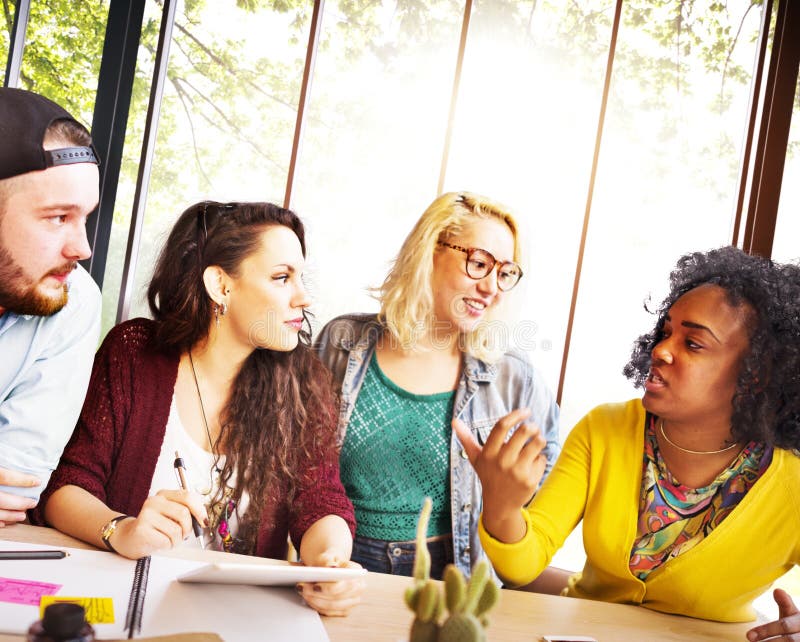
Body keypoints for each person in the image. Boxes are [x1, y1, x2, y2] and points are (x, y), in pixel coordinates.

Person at [34, 201, 363, 616]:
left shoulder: (303, 381)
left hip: (238, 618)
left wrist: (330, 563)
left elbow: (321, 502)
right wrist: (122, 529)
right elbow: (67, 486)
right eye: (282, 278)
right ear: (220, 286)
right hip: (126, 606)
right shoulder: (132, 353)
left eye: (301, 277)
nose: (304, 297)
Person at [454, 246, 800, 632]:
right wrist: (502, 507)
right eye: (665, 333)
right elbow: (523, 565)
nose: (661, 350)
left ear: (756, 373)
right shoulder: (605, 429)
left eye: (693, 344)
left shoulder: (791, 485)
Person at [315, 192, 560, 580]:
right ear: (429, 252)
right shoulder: (341, 342)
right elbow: (299, 469)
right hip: (340, 563)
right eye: (479, 264)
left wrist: (506, 501)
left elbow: (545, 503)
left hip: (451, 576)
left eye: (504, 273)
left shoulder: (514, 376)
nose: (492, 288)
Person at [0, 88, 102, 524]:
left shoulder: (73, 298)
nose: (82, 248)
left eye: (85, 217)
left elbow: (13, 487)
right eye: (59, 217)